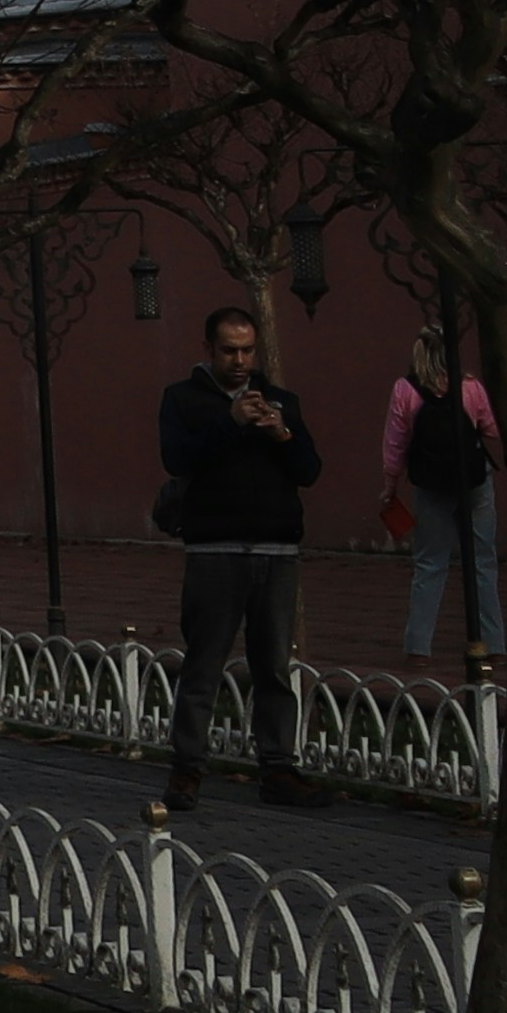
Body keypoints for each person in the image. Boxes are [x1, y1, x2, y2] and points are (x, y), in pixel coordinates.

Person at [159, 306, 327, 808]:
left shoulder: (281, 400)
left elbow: (310, 470)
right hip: (215, 550)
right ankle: (186, 770)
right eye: (230, 350)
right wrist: (229, 423)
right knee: (204, 664)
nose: (240, 361)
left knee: (274, 665)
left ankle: (278, 768)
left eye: (248, 350)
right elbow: (177, 457)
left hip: (276, 550)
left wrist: (281, 433)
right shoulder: (183, 399)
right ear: (208, 348)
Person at [384, 329, 505, 664]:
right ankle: (493, 643)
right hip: (474, 480)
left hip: (430, 484)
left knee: (429, 564)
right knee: (483, 561)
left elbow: (395, 444)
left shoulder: (405, 389)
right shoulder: (470, 386)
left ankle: (418, 647)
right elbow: (493, 429)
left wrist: (390, 486)